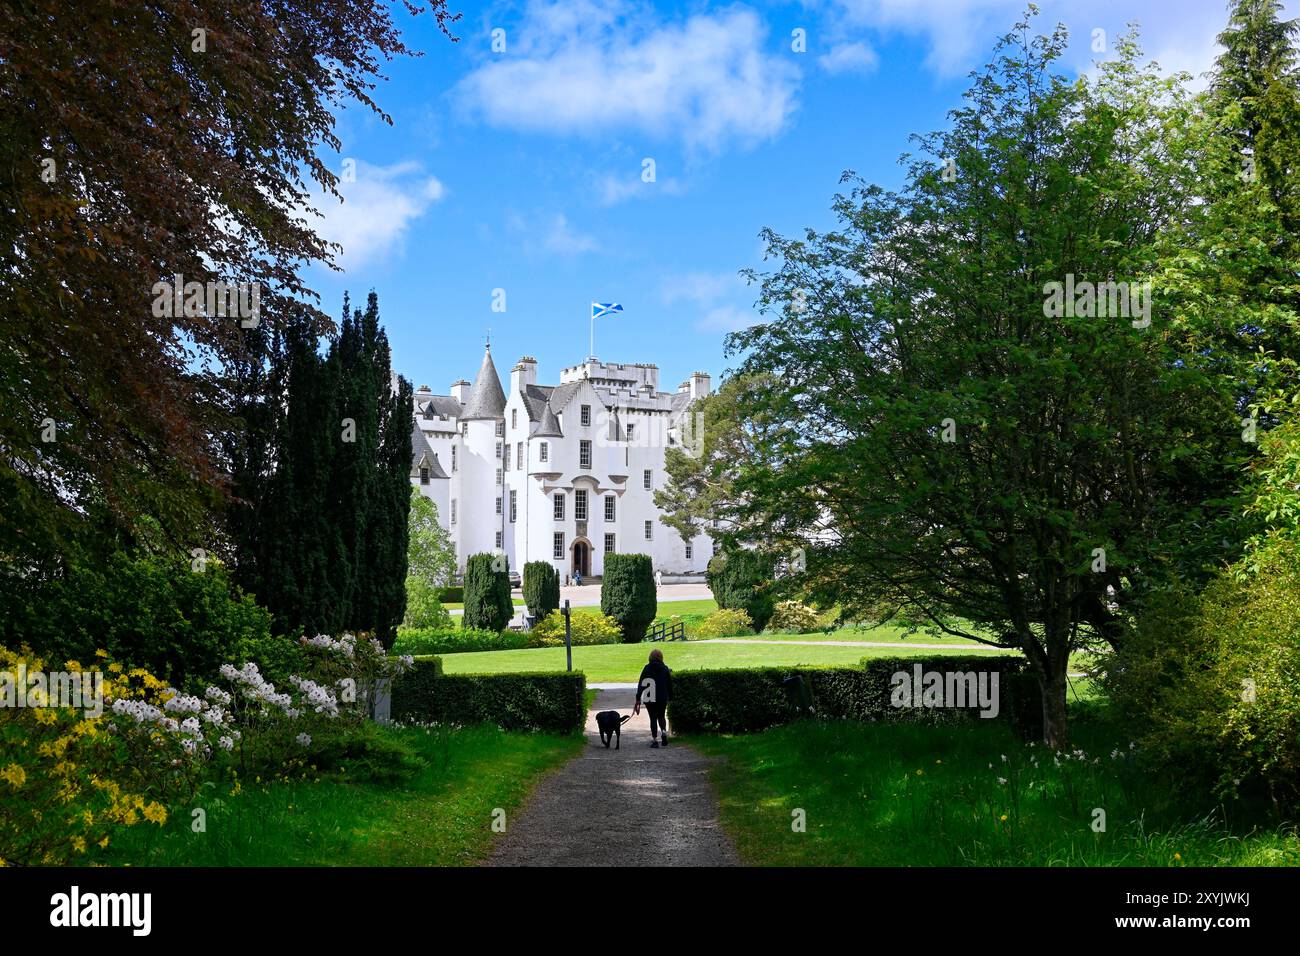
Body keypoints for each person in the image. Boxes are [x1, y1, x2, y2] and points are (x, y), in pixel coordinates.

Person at [634, 648, 673, 748]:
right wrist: (671, 697)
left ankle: (655, 740)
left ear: (650, 657)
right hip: (661, 696)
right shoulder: (665, 669)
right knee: (661, 716)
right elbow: (669, 684)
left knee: (653, 718)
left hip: (649, 696)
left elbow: (641, 684)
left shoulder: (647, 668)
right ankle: (664, 733)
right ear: (661, 657)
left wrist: (638, 698)